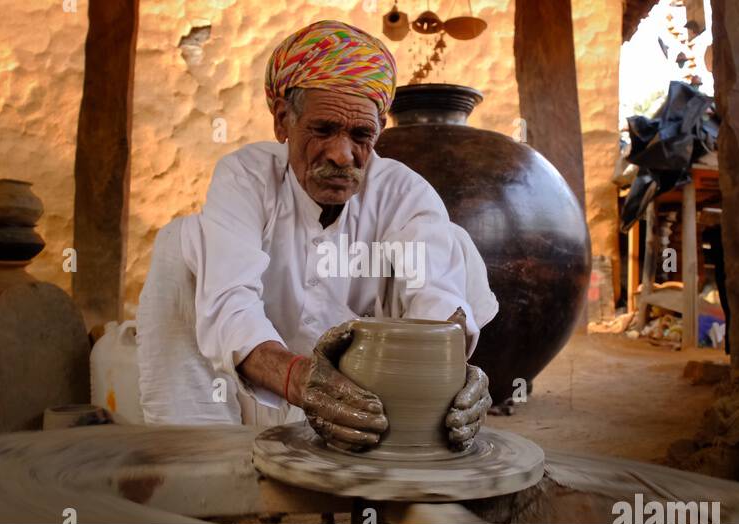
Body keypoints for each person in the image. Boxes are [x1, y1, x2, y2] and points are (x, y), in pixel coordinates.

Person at [137, 20, 498, 452]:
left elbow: (437, 295)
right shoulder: (246, 178)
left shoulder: (403, 193)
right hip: (252, 391)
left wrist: (455, 368)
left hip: (367, 408)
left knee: (450, 242)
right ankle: (197, 461)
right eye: (323, 130)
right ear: (282, 121)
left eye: (361, 135)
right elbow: (228, 300)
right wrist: (299, 379)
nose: (341, 155)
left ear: (379, 131)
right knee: (180, 243)